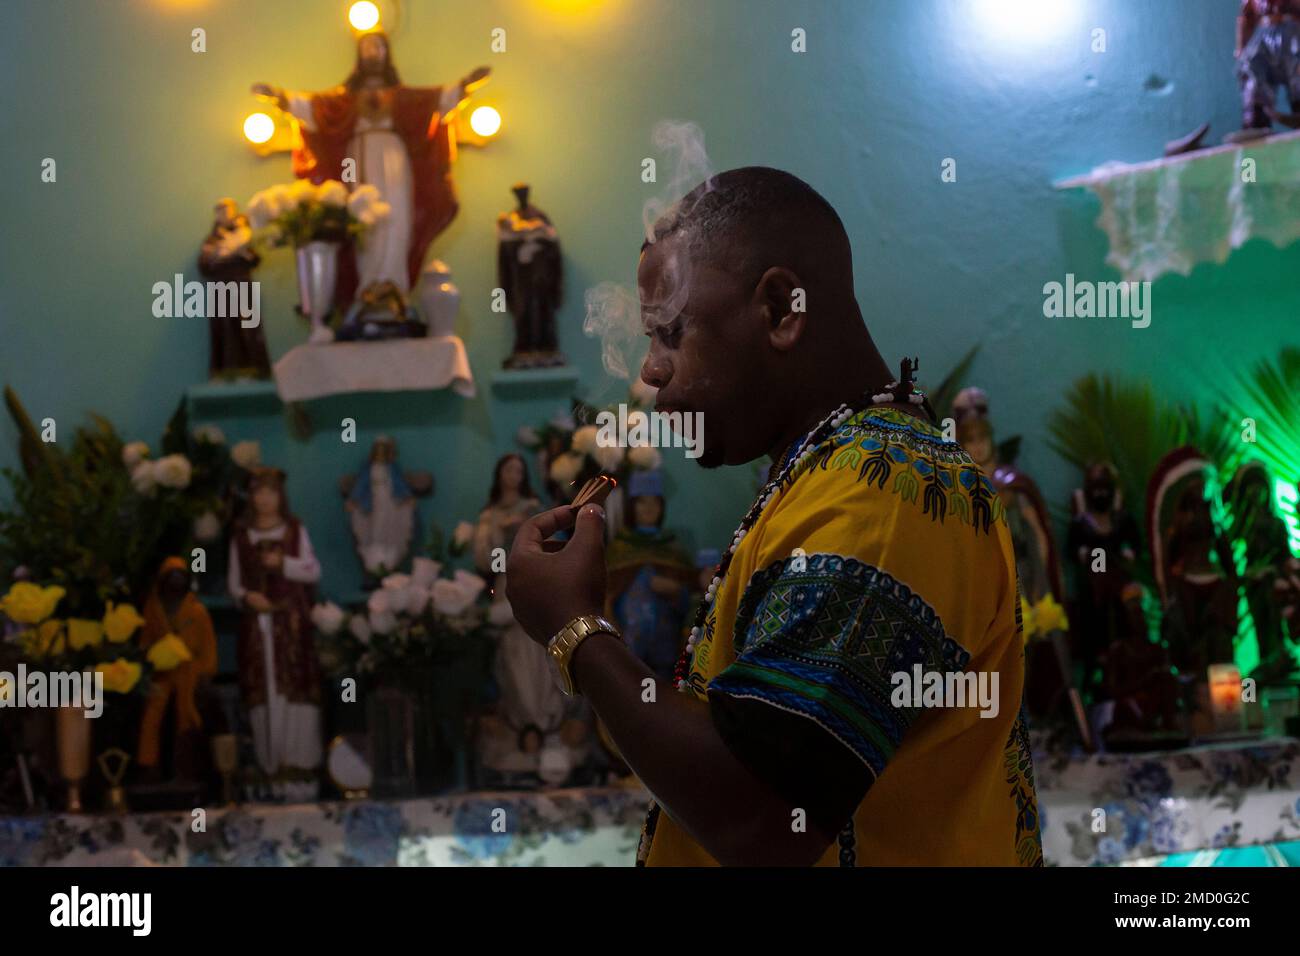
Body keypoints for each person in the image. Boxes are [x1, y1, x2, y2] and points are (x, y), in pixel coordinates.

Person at [506, 167, 1041, 866]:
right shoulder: (826, 473)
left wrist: (575, 630)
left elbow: (765, 817)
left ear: (783, 309)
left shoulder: (880, 496)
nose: (649, 373)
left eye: (671, 333)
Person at [252, 31, 489, 304]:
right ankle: (367, 290)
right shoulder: (344, 100)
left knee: (398, 218)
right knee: (365, 221)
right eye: (366, 47)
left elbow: (435, 102)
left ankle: (395, 290)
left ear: (386, 52)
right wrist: (278, 98)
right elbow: (314, 108)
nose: (372, 52)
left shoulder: (404, 98)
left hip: (396, 160)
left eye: (377, 46)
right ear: (359, 55)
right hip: (358, 159)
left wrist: (466, 86)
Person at [228, 466, 323, 800]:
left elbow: (313, 570)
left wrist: (283, 565)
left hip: (289, 624)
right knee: (262, 694)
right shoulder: (241, 535)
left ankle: (299, 775)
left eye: (270, 492)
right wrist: (246, 597)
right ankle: (267, 772)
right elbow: (234, 583)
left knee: (294, 689)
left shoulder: (295, 530)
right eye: (257, 492)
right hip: (258, 627)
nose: (264, 499)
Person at [136, 557, 218, 779]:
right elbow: (145, 641)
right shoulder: (152, 609)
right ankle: (148, 766)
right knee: (151, 718)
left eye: (180, 576)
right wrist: (148, 662)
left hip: (190, 672)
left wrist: (206, 673)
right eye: (171, 576)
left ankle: (186, 769)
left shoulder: (197, 611)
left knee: (188, 716)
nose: (176, 581)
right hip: (161, 673)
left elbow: (208, 646)